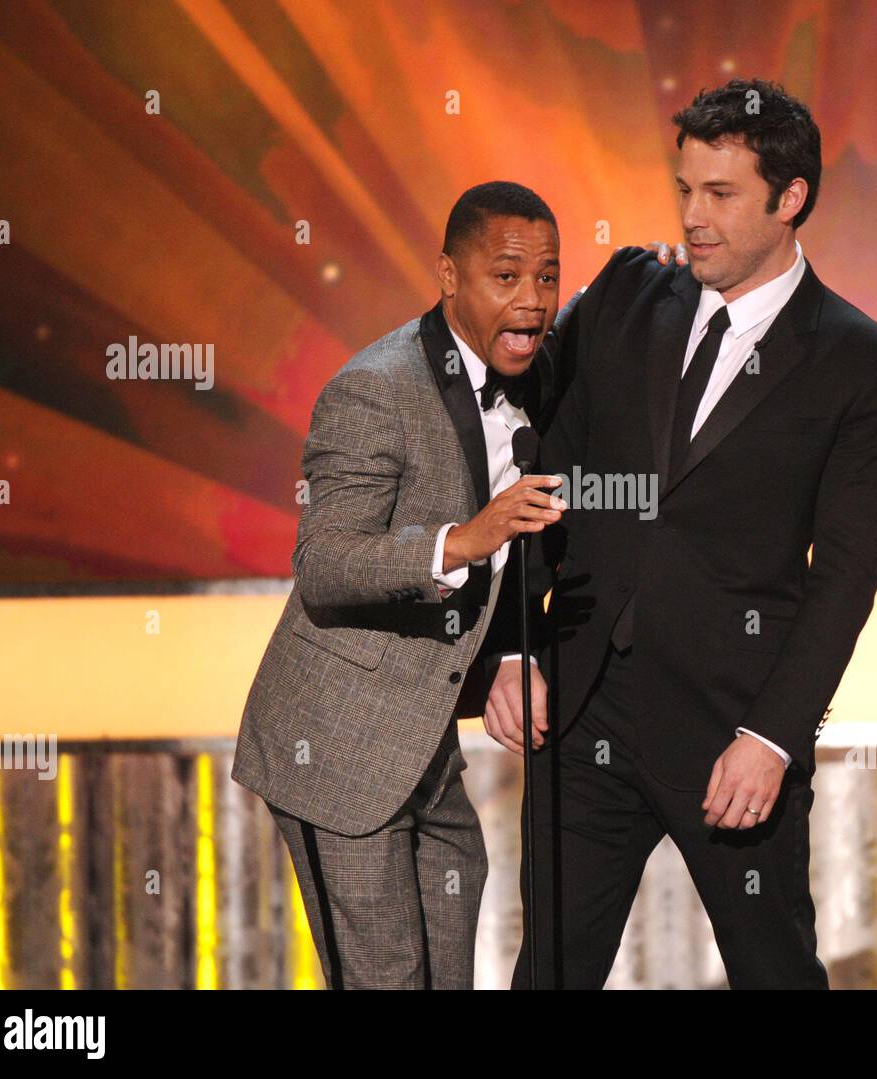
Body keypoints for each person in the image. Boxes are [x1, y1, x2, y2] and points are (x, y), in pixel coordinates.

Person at [485, 80, 877, 989]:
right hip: (582, 704)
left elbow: (845, 573)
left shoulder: (861, 358)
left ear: (789, 198)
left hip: (733, 725)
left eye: (719, 195)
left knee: (775, 973)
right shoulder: (628, 293)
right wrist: (514, 649)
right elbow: (541, 475)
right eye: (685, 189)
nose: (693, 217)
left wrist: (772, 736)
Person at [232, 181, 569, 989]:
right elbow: (326, 562)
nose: (532, 301)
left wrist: (514, 655)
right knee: (384, 975)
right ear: (449, 277)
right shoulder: (375, 389)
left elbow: (529, 546)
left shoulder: (547, 377)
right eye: (508, 276)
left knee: (446, 966)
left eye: (548, 277)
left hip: (425, 750)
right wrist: (463, 539)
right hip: (339, 748)